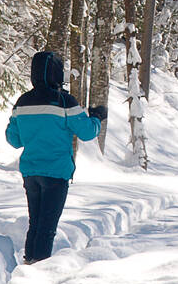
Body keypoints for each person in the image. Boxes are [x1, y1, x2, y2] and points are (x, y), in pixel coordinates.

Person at [6, 51, 107, 264]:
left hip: (31, 171)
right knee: (47, 227)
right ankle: (39, 268)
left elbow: (14, 140)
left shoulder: (22, 102)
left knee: (35, 223)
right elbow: (87, 132)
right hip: (56, 172)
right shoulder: (64, 101)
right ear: (57, 73)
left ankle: (29, 263)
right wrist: (97, 117)